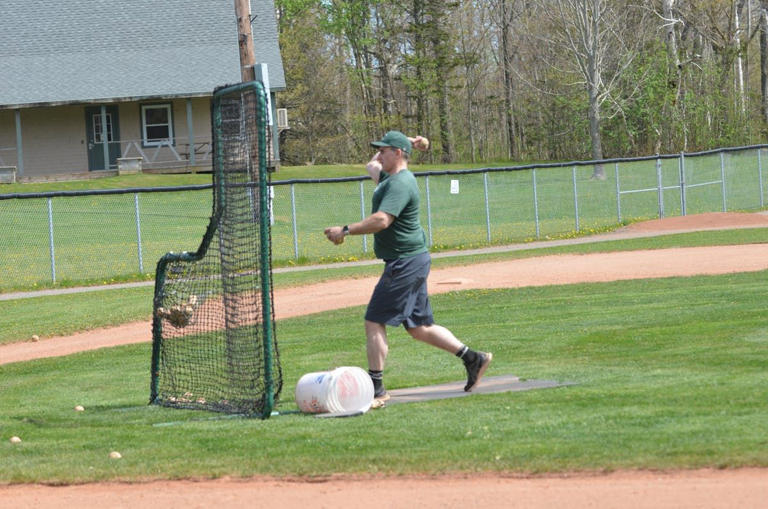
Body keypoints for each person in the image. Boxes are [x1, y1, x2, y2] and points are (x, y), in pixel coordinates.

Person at [324, 130, 492, 406]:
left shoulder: (400, 183)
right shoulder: (388, 177)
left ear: (398, 154)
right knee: (420, 327)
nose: (378, 155)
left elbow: (381, 221)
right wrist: (410, 143)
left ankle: (377, 390)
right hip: (411, 259)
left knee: (374, 320)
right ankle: (474, 358)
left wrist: (344, 230)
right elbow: (371, 166)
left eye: (384, 150)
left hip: (405, 262)